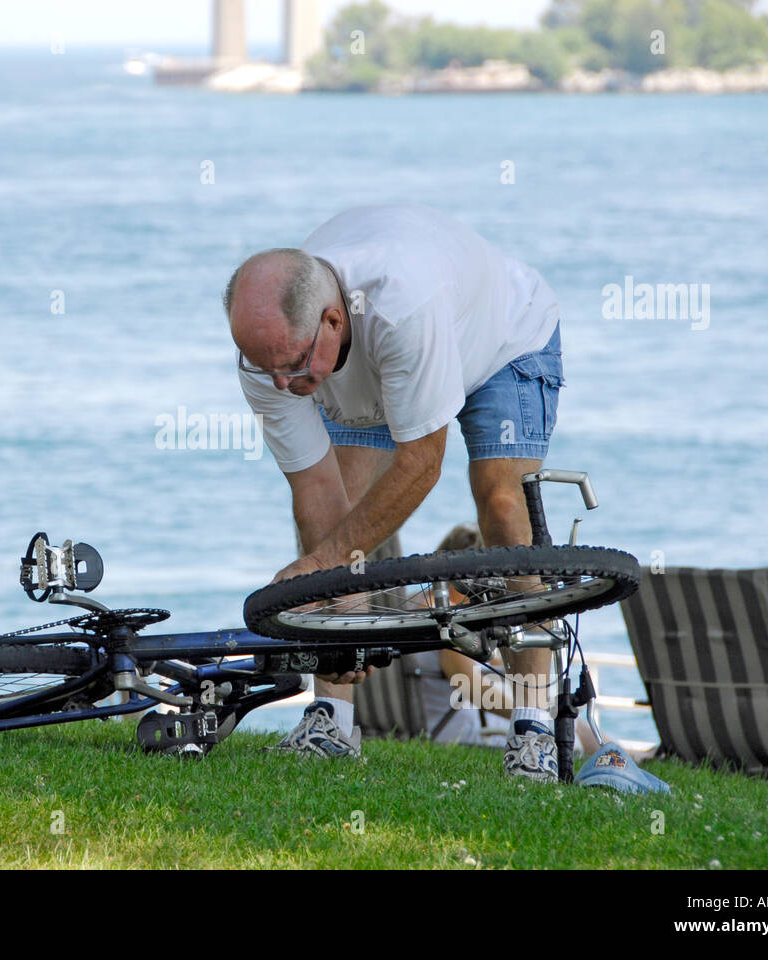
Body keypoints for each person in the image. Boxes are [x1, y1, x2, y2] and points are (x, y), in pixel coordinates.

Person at [225, 203, 565, 780]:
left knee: (502, 505)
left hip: (504, 340)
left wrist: (321, 567)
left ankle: (534, 728)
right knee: (338, 525)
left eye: (295, 369)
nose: (285, 386)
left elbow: (422, 463)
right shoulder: (274, 353)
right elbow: (315, 489)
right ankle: (331, 720)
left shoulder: (402, 303)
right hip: (379, 363)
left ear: (333, 321)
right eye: (268, 371)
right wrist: (339, 613)